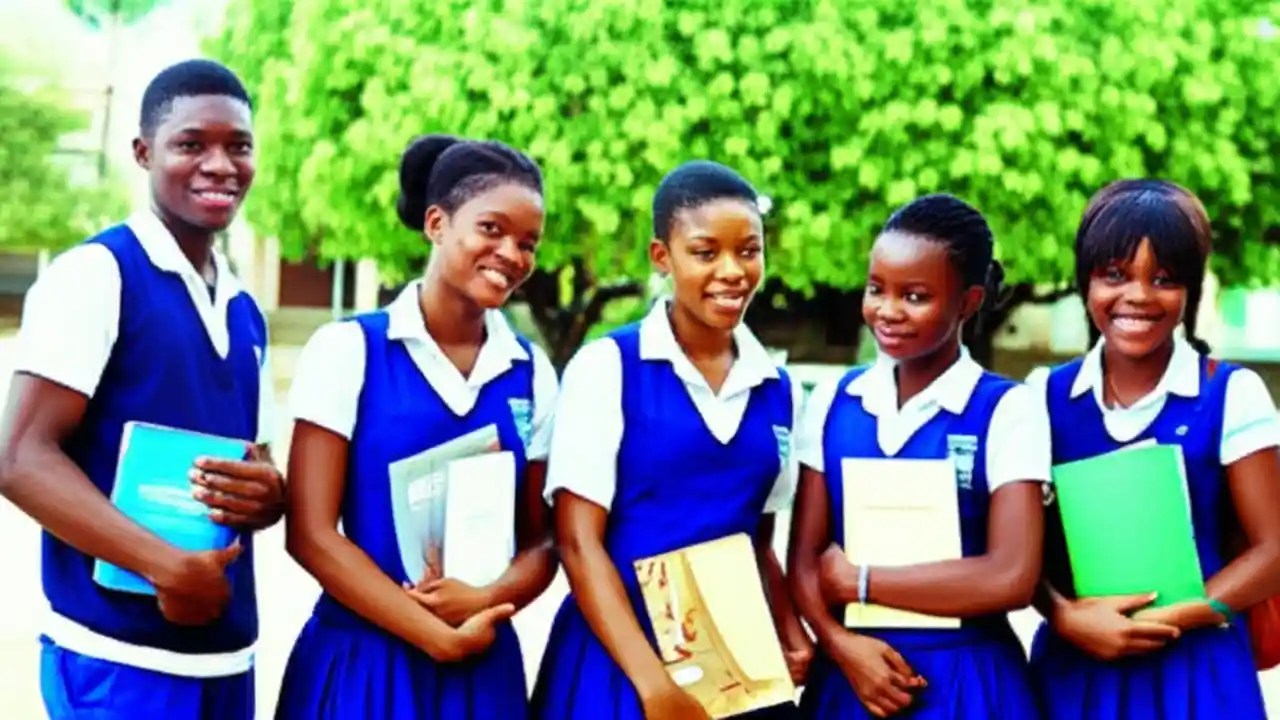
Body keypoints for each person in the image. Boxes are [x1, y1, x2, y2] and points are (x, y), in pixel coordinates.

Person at [0, 59, 284, 719]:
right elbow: (20, 458)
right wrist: (163, 564)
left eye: (238, 146)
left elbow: (257, 464)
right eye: (192, 144)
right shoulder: (98, 275)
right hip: (119, 662)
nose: (220, 164)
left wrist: (270, 496)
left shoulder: (243, 307)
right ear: (144, 151)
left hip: (226, 657)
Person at [274, 134, 559, 719]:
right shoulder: (350, 350)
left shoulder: (532, 373)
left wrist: (484, 600)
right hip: (363, 662)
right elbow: (310, 532)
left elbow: (542, 540)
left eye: (528, 242)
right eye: (492, 229)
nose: (512, 253)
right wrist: (431, 634)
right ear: (436, 222)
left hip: (480, 666)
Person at [532, 160, 813, 720]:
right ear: (663, 257)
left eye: (749, 250)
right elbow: (578, 544)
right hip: (618, 664)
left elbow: (756, 541)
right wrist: (653, 685)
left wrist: (789, 629)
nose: (733, 271)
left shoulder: (780, 390)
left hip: (734, 675)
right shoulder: (609, 367)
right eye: (705, 253)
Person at [1028, 179, 1280, 720]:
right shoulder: (1041, 396)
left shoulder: (1229, 394)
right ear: (1085, 281)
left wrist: (1181, 616)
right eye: (1115, 275)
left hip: (1199, 671)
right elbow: (1014, 547)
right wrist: (1065, 617)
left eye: (1164, 279)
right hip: (1077, 668)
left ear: (1190, 289)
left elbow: (1273, 549)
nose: (1138, 296)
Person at [789, 194, 1048, 719]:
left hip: (967, 680)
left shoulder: (1006, 409)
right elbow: (804, 560)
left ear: (969, 301)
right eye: (876, 289)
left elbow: (1012, 575)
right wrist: (840, 644)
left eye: (915, 295)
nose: (888, 310)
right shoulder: (834, 403)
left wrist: (862, 580)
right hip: (854, 679)